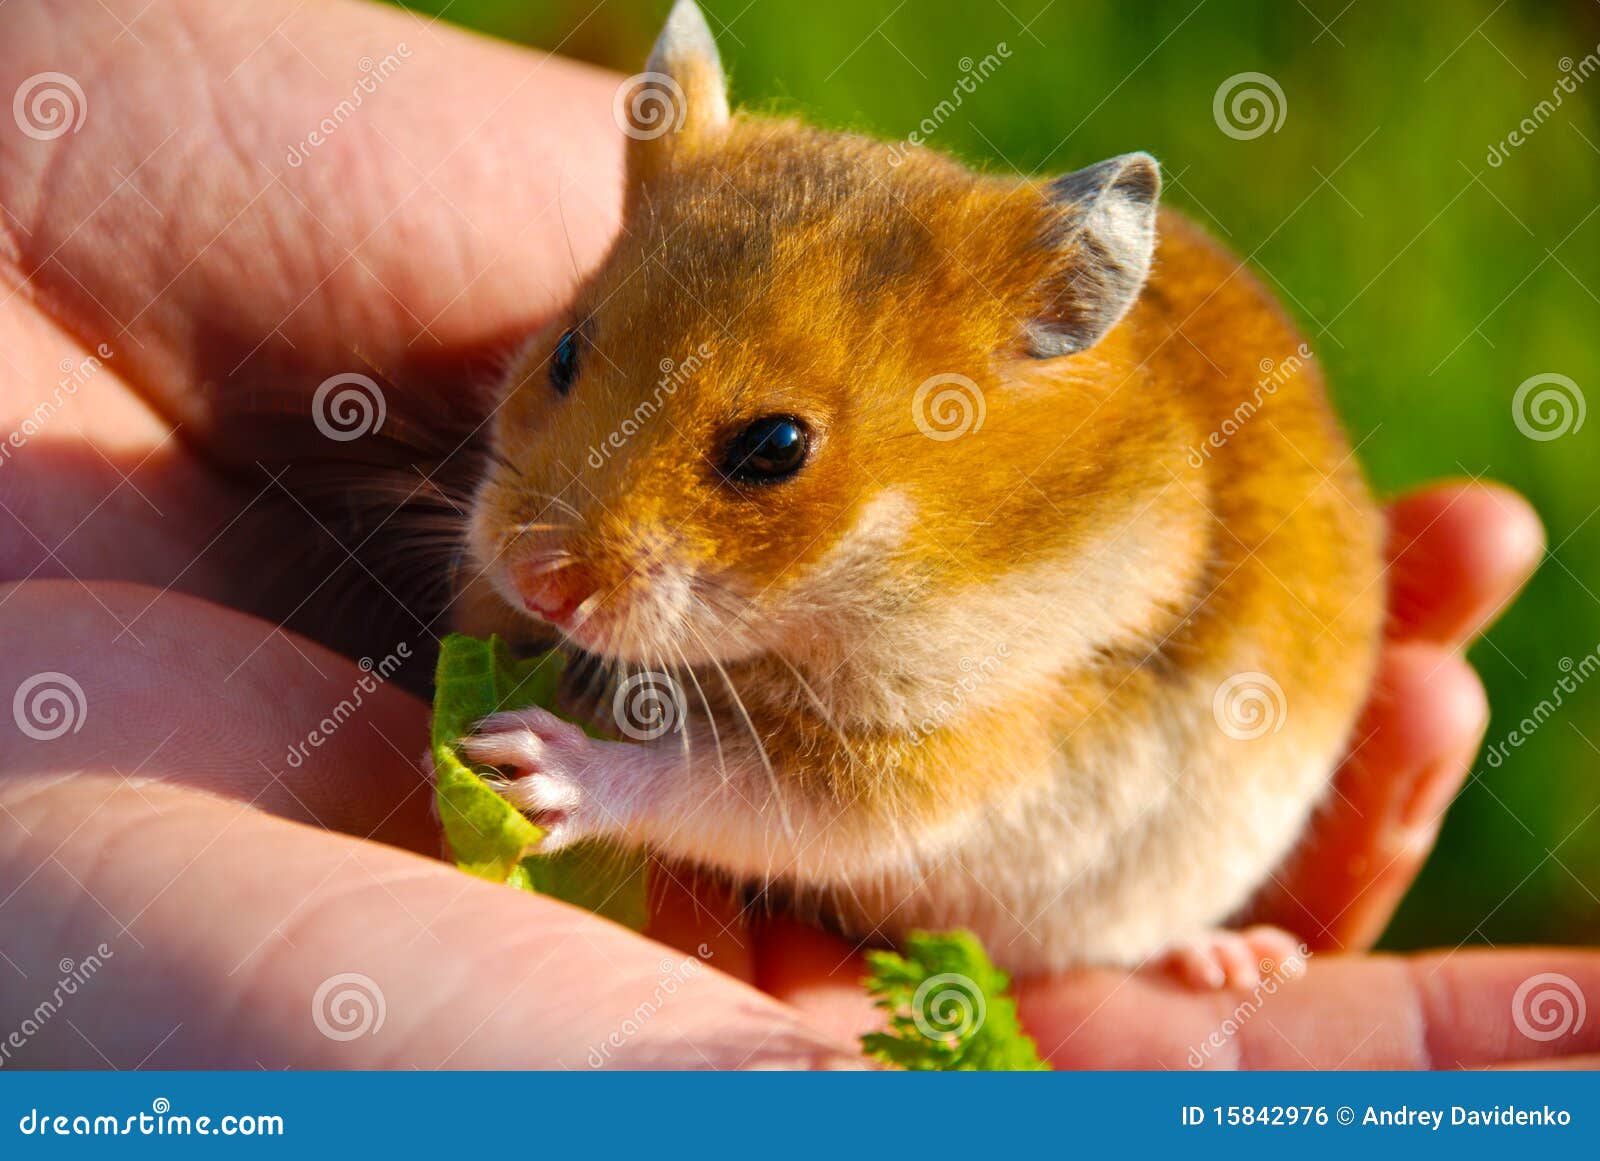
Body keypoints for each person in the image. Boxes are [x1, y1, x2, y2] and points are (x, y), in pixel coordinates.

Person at [0, 0, 1590, 1068]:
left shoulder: (1014, 555)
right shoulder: (676, 259)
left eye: (760, 455)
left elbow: (896, 788)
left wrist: (626, 780)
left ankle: (1180, 942)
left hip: (1130, 808)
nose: (558, 554)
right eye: (567, 366)